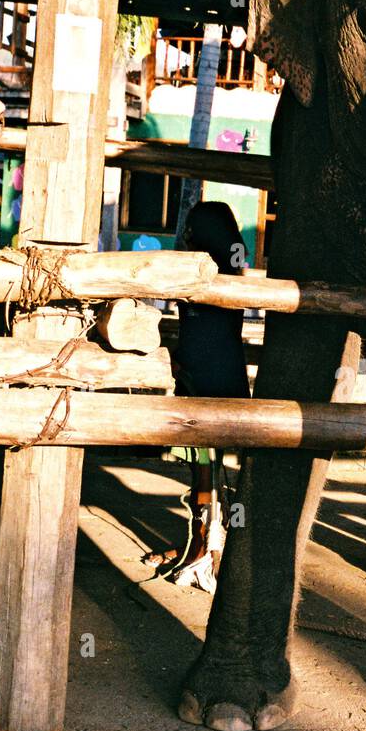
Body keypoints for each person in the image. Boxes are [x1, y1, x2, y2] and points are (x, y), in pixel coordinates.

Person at [144, 201, 250, 587]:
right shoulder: (221, 268)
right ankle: (202, 544)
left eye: (192, 226)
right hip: (208, 374)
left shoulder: (210, 273)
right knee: (206, 466)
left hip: (210, 379)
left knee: (206, 466)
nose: (186, 233)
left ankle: (206, 548)